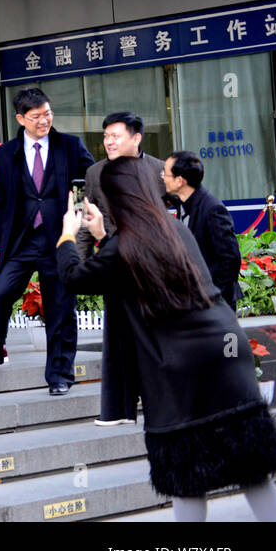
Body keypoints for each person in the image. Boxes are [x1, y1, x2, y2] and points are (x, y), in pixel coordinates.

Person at [57, 157, 276, 521]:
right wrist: (104, 236)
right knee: (252, 471)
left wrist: (69, 232)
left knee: (186, 476)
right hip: (225, 349)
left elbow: (73, 277)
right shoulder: (173, 228)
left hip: (180, 367)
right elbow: (134, 255)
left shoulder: (123, 248)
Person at [0, 87, 94, 393]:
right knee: (0, 294)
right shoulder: (5, 154)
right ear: (20, 118)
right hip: (20, 239)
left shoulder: (69, 145)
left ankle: (59, 376)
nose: (44, 121)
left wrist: (79, 216)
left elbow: (90, 180)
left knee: (59, 308)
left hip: (60, 239)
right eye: (37, 116)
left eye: (48, 114)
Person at [82, 111, 167, 425]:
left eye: (115, 136)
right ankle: (120, 409)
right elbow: (84, 225)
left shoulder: (160, 171)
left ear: (136, 138)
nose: (109, 142)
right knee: (118, 339)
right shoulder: (95, 173)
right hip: (116, 264)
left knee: (155, 335)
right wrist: (83, 265)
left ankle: (159, 398)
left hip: (154, 270)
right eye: (105, 137)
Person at [163, 151, 242, 306]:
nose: (162, 178)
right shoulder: (183, 204)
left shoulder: (212, 209)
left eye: (165, 174)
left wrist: (215, 297)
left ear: (180, 181)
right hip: (194, 300)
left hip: (214, 302)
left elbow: (230, 259)